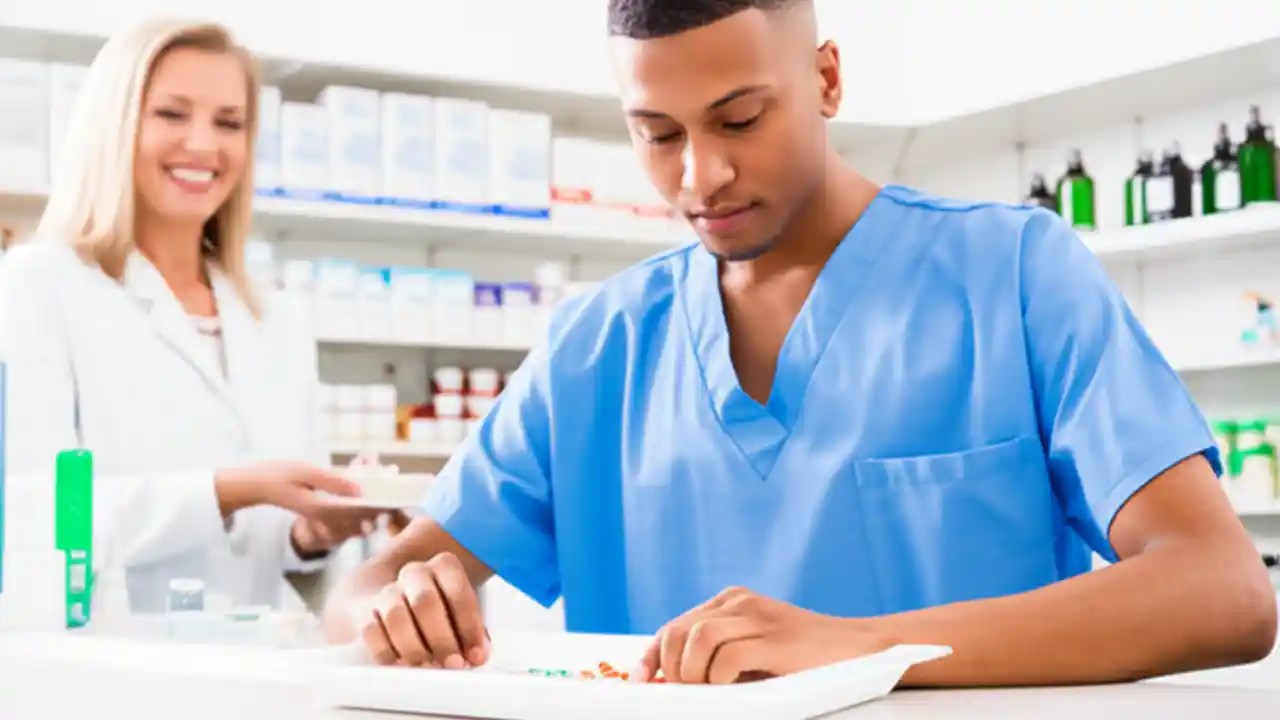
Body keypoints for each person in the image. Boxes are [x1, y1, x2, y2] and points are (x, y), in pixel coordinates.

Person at [322, 0, 1277, 685]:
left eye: (739, 119)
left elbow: (1222, 592)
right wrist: (393, 607)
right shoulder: (597, 345)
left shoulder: (1012, 274)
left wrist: (861, 648)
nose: (701, 176)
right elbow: (365, 588)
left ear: (825, 79)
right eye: (657, 135)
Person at [0, 19, 380, 613]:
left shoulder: (277, 318)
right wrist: (225, 492)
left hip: (258, 657)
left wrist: (313, 531)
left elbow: (272, 543)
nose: (204, 145)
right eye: (172, 114)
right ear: (115, 125)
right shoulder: (37, 285)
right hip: (108, 656)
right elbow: (31, 516)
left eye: (229, 123)